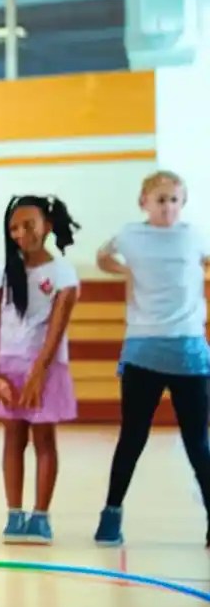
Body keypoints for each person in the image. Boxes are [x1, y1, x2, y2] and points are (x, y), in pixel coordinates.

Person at [93, 170, 210, 548]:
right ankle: (111, 514)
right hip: (143, 348)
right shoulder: (131, 235)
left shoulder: (193, 236)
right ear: (144, 202)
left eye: (174, 200)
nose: (168, 207)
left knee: (197, 441)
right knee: (132, 436)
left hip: (189, 351)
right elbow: (102, 255)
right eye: (160, 200)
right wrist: (124, 270)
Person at [0, 194, 81, 545]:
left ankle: (40, 516)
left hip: (47, 368)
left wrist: (39, 373)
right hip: (8, 366)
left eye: (29, 225)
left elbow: (56, 331)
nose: (21, 232)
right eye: (14, 227)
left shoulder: (63, 274)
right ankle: (14, 513)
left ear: (47, 227)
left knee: (44, 439)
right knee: (12, 438)